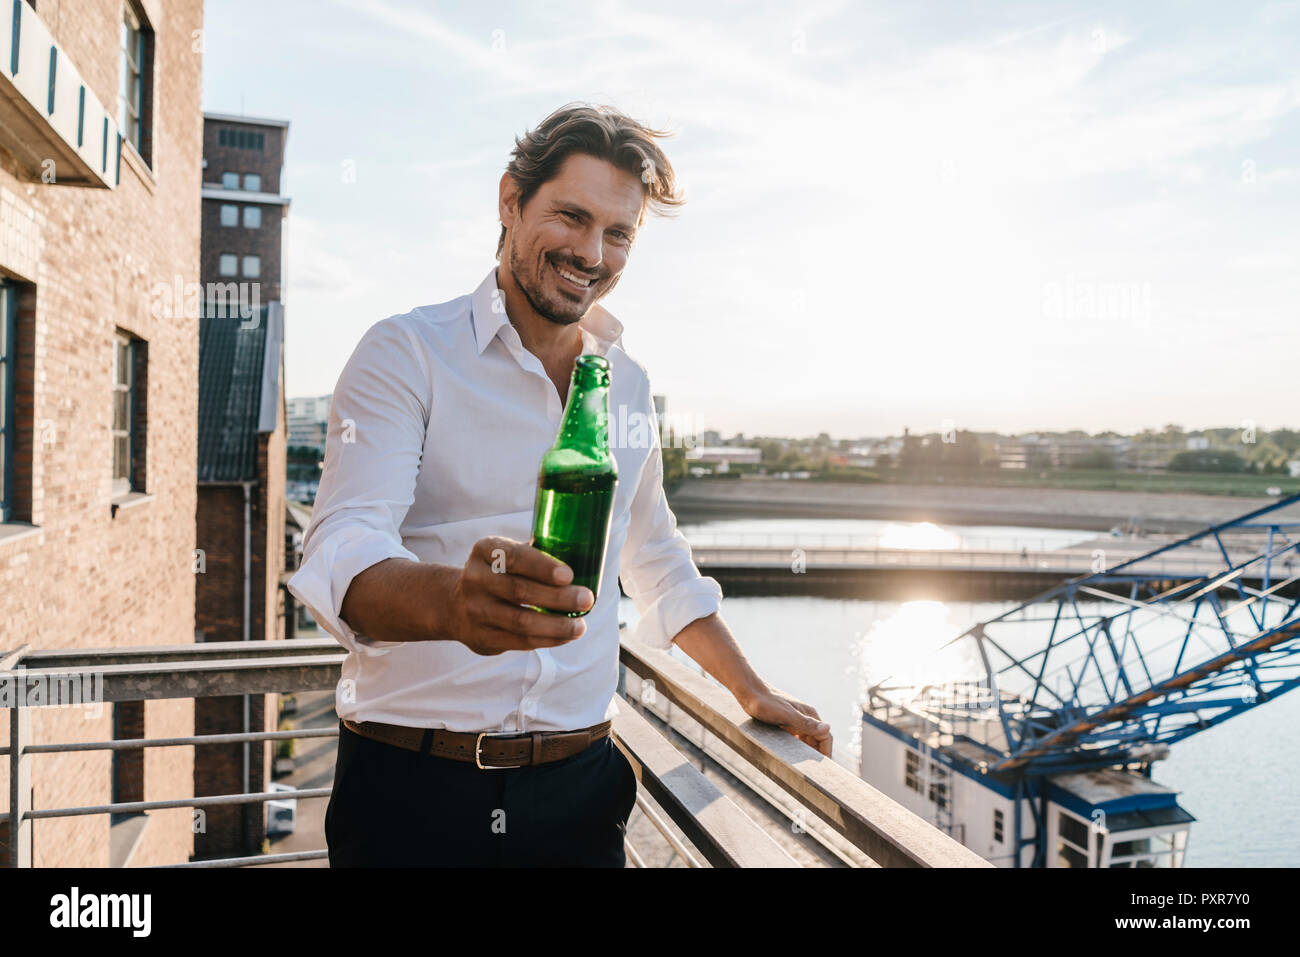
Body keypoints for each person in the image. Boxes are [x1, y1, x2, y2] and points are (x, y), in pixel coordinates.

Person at [288, 102, 832, 867]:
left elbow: (657, 558)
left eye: (619, 234)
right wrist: (455, 601)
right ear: (510, 200)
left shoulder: (627, 386)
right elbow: (344, 545)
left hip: (581, 797)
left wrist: (750, 689)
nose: (591, 252)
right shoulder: (405, 352)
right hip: (411, 794)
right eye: (572, 216)